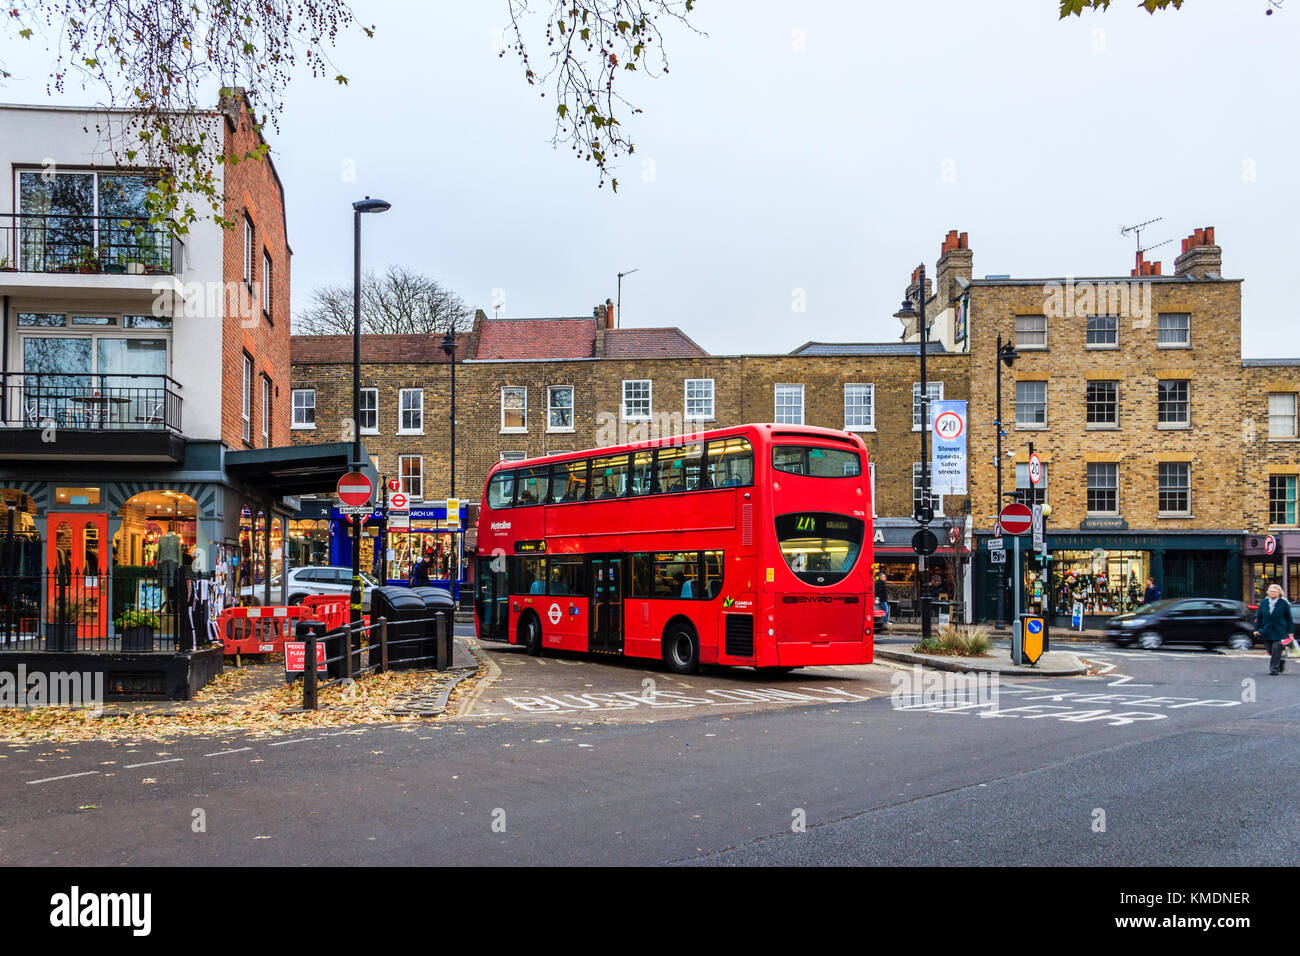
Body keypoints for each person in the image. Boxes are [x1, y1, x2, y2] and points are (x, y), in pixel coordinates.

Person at [1254, 583, 1294, 676]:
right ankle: (1280, 660)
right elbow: (1259, 617)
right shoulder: (1264, 602)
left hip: (1280, 631)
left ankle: (1274, 670)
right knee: (1270, 650)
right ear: (1268, 592)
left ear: (1279, 593)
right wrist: (1256, 629)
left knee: (1276, 649)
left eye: (1275, 592)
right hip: (1266, 630)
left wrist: (1290, 632)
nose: (1273, 593)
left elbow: (1289, 618)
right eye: (1271, 591)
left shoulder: (1283, 603)